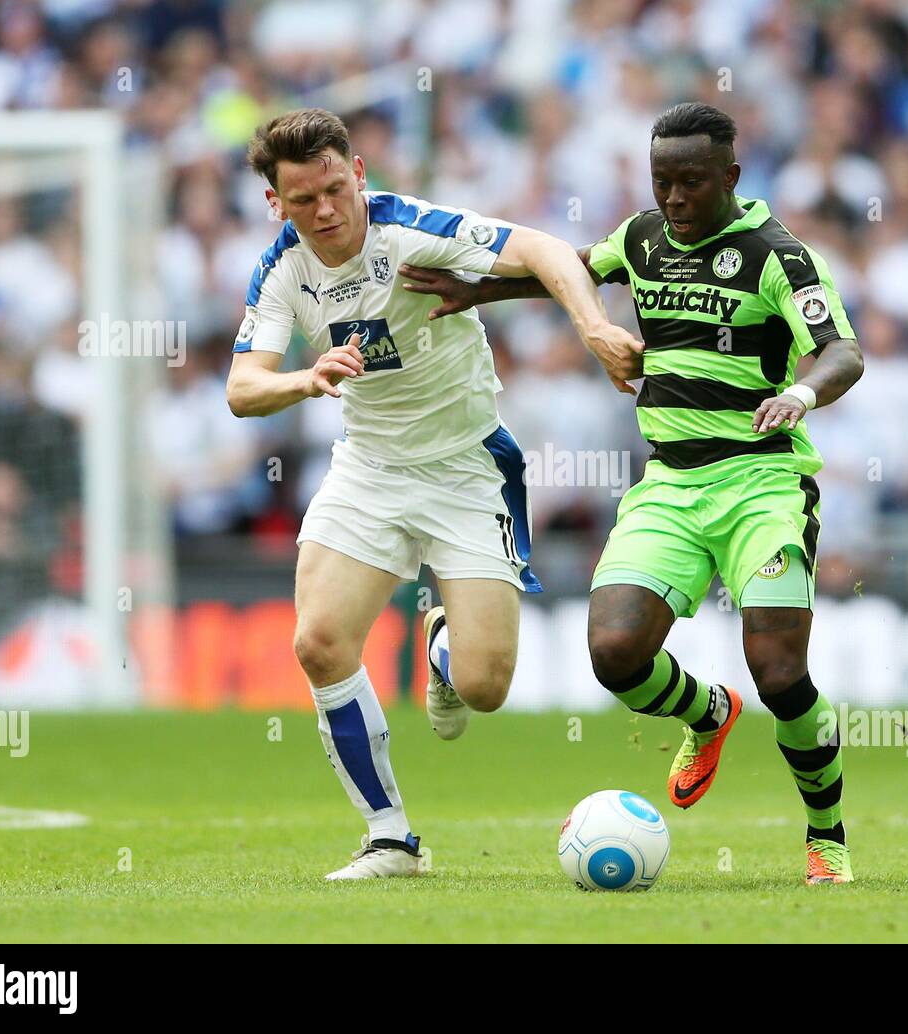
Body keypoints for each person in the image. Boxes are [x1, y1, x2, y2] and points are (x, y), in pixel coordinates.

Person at [402, 103, 865, 885]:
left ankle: (827, 837)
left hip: (762, 484)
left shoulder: (777, 257)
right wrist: (475, 291)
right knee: (615, 655)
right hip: (671, 484)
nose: (674, 197)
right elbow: (570, 271)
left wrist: (803, 393)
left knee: (781, 674)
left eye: (691, 182)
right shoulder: (643, 238)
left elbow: (843, 351)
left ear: (731, 176)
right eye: (662, 181)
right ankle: (707, 713)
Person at [226, 108, 642, 881]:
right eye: (303, 199)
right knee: (318, 642)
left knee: (485, 687)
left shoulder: (410, 229)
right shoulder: (282, 269)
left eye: (334, 189)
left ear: (357, 173)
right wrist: (305, 379)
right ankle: (390, 838)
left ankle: (444, 648)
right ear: (276, 202)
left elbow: (545, 249)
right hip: (370, 469)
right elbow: (242, 389)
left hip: (465, 467)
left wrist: (592, 328)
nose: (325, 210)